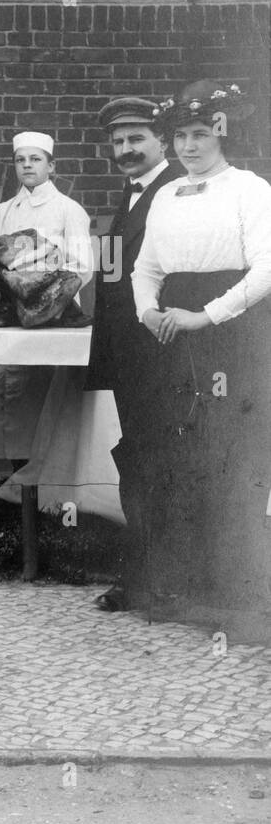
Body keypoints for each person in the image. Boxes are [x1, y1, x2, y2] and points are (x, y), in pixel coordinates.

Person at [124, 80, 271, 633]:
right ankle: (176, 585)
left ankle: (236, 595)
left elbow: (266, 269)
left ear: (222, 133)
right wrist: (148, 312)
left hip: (232, 331)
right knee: (174, 449)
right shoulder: (164, 195)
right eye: (180, 136)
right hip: (170, 332)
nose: (188, 146)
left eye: (200, 134)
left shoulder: (250, 190)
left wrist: (205, 316)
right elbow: (145, 269)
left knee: (229, 451)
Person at [84, 97, 185, 611]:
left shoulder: (177, 192)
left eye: (136, 140)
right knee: (139, 461)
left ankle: (171, 581)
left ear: (162, 141)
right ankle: (142, 578)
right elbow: (111, 282)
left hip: (167, 357)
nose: (125, 150)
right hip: (131, 360)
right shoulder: (127, 198)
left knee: (168, 463)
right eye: (118, 142)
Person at [0, 131, 93, 464]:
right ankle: (18, 478)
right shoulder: (4, 210)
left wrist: (40, 286)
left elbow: (81, 266)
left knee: (45, 394)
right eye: (20, 160)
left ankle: (48, 483)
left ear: (51, 166)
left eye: (35, 159)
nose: (27, 165)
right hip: (9, 317)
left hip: (53, 317)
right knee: (10, 395)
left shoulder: (68, 210)